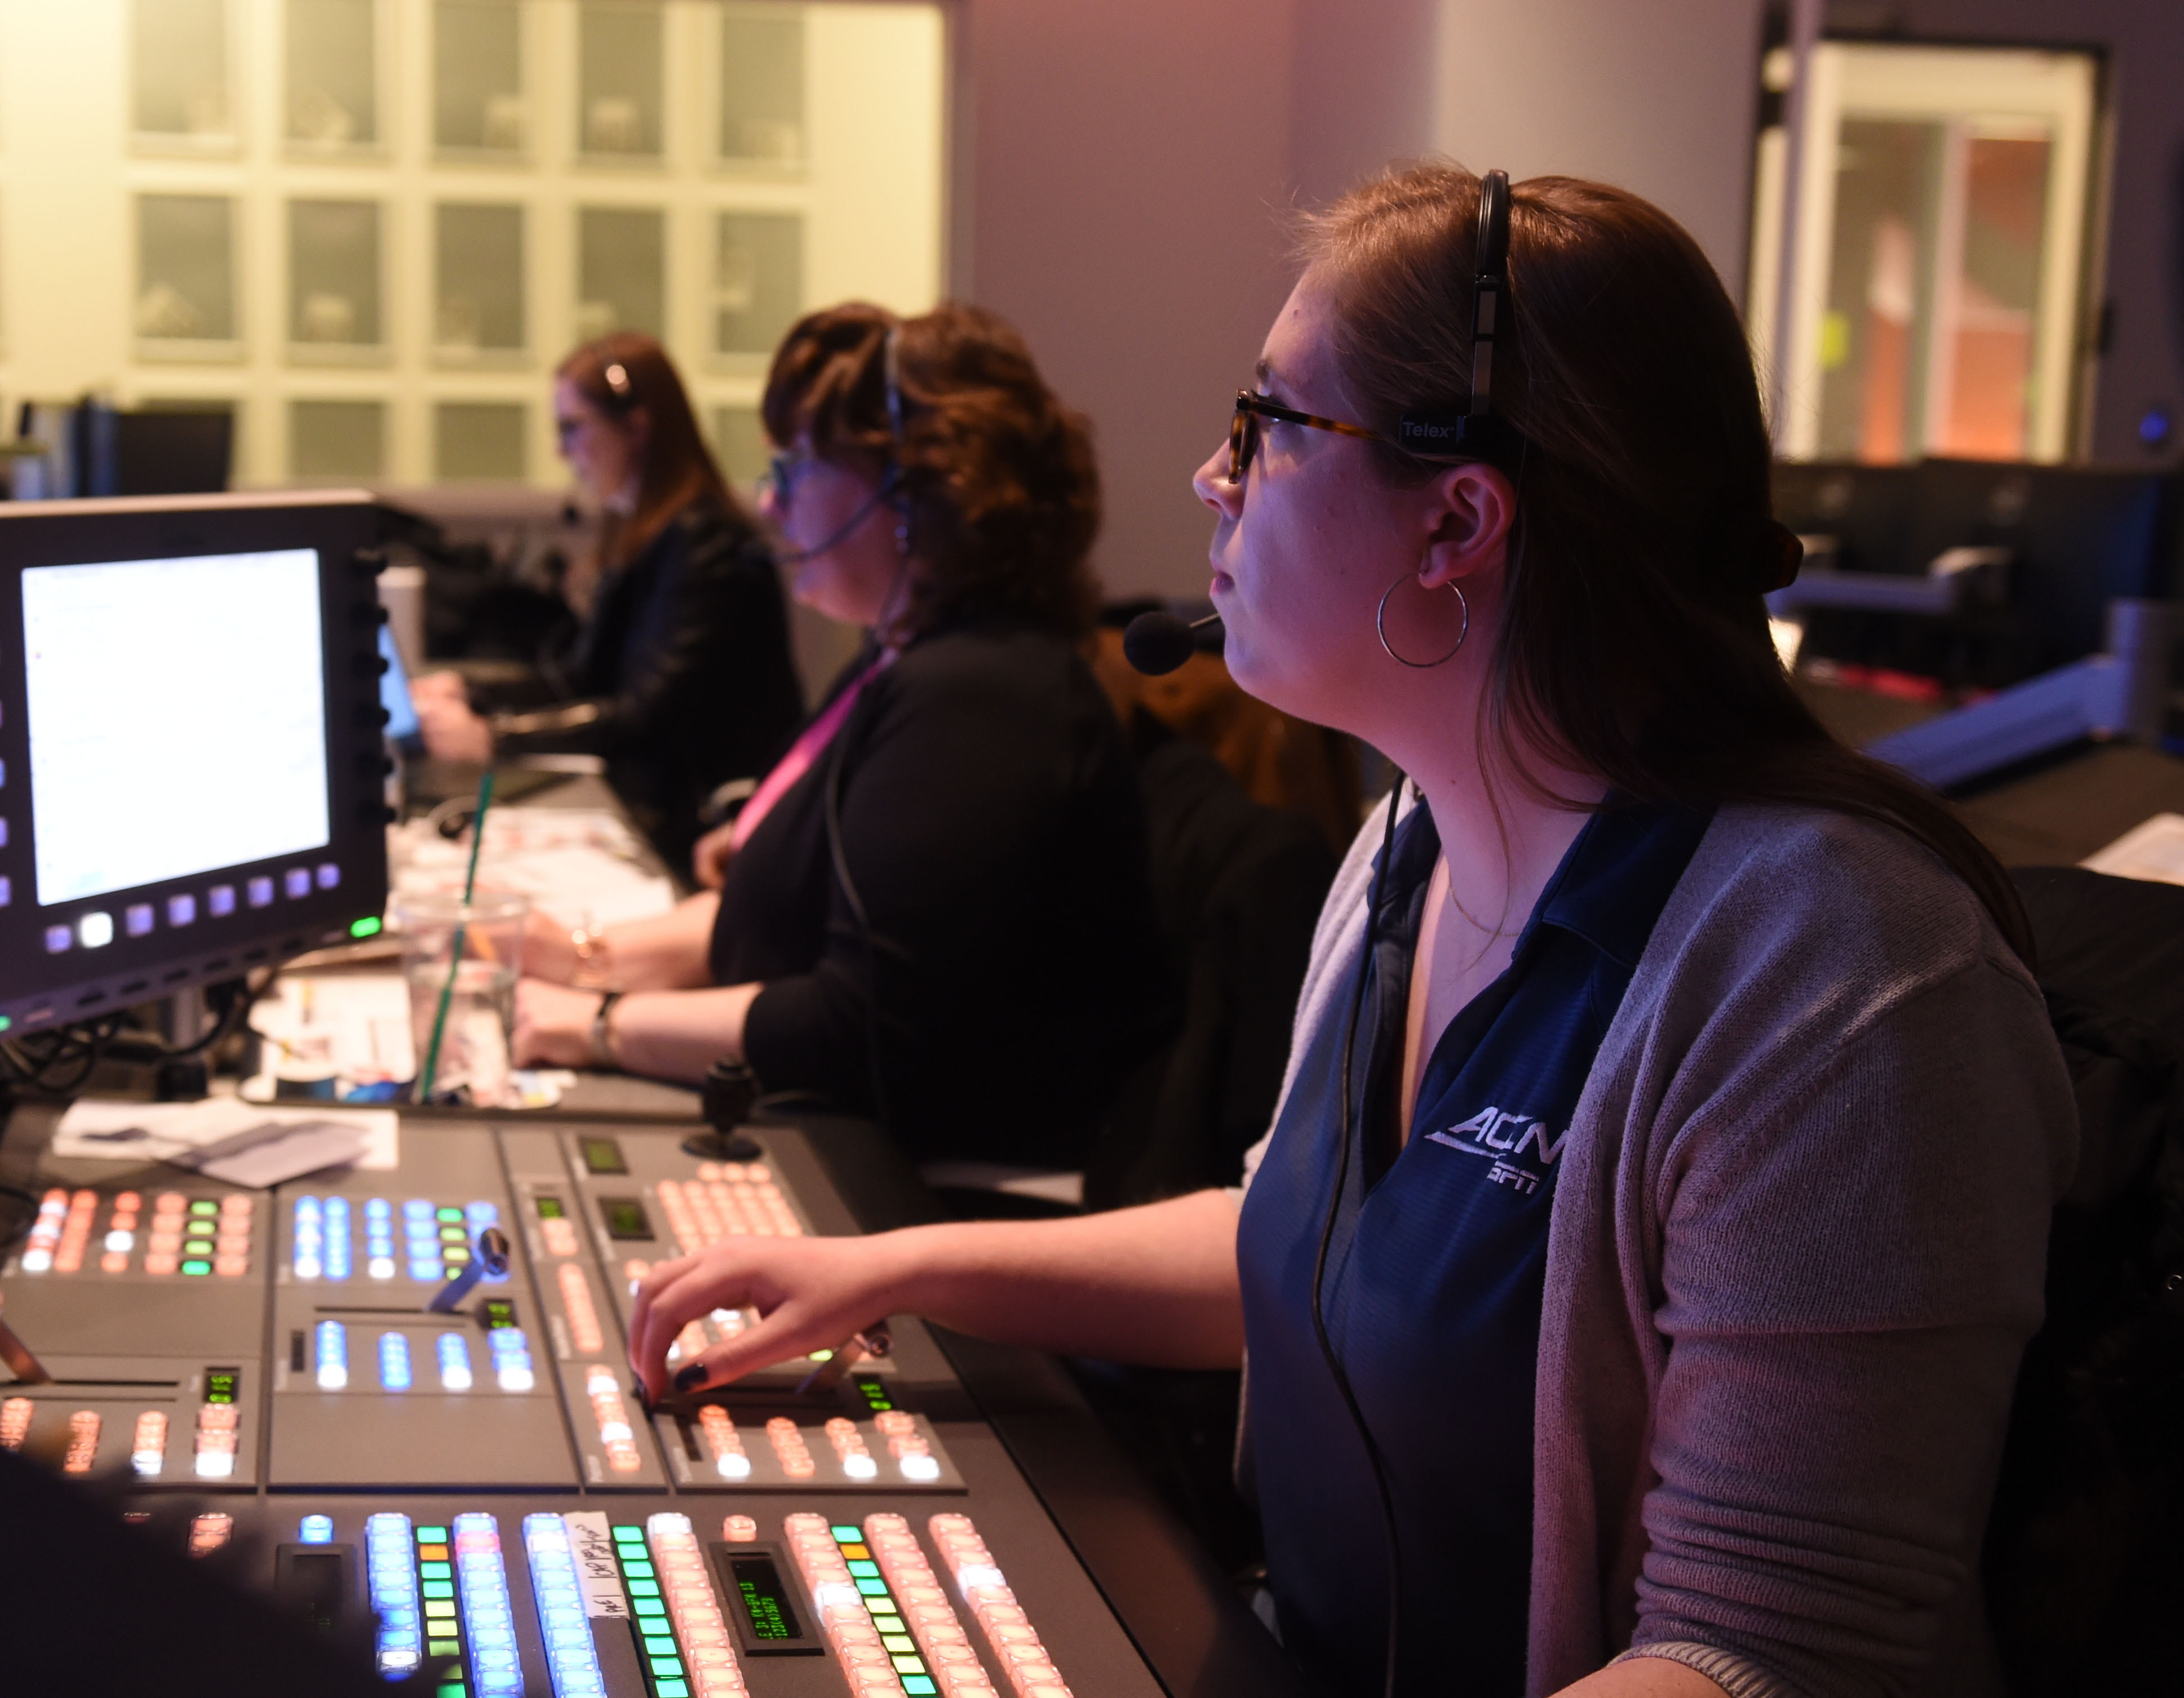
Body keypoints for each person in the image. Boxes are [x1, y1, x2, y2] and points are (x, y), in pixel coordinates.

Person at [622, 171, 2078, 1698]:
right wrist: (891, 1266)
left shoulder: (1838, 973)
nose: (1206, 476)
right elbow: (1292, 1244)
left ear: (1456, 515)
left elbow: (1772, 1650)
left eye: (1263, 429)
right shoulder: (1414, 837)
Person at [512, 302, 1169, 1169]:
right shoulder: (914, 656)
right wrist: (582, 956)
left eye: (800, 465)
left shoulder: (981, 700)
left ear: (916, 492)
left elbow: (857, 1024)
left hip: (943, 1183)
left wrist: (597, 1023)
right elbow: (789, 919)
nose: (769, 499)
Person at [414, 333, 801, 876]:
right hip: (663, 809)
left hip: (704, 833)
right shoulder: (648, 532)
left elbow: (647, 715)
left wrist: (492, 738)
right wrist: (470, 691)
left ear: (636, 427)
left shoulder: (707, 544)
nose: (561, 450)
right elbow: (584, 676)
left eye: (573, 427)